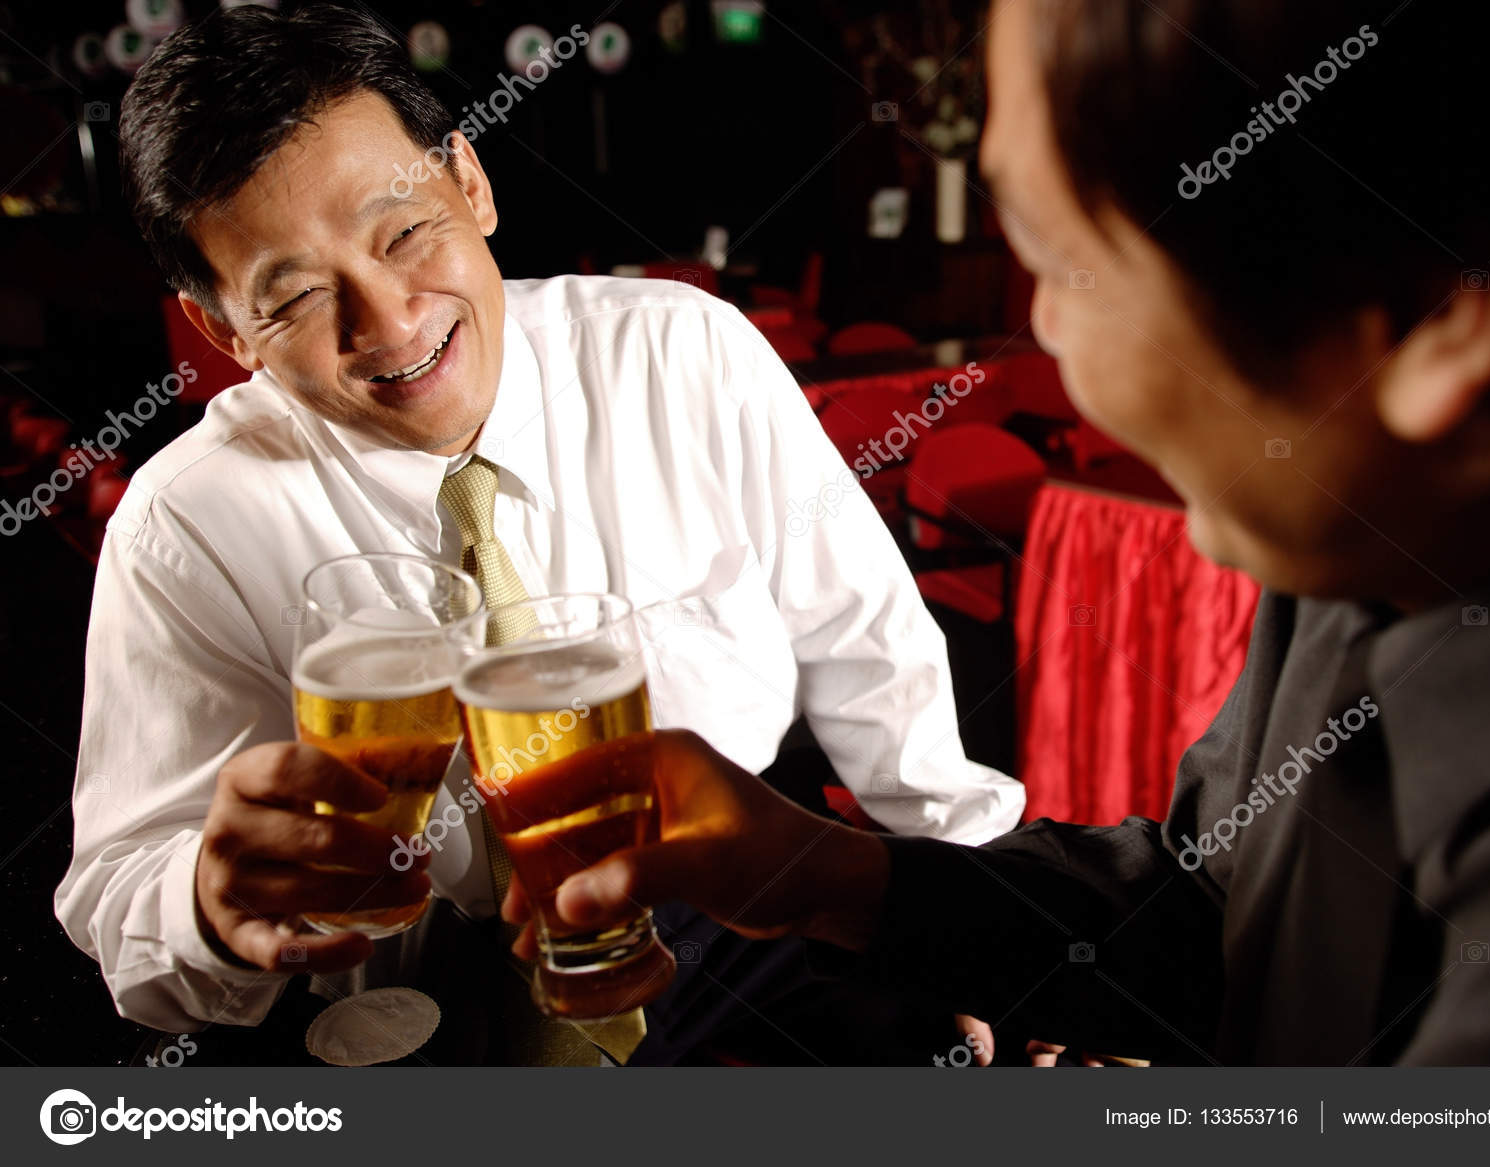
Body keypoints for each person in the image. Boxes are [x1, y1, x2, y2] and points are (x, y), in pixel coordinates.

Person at [517, 0, 1490, 1065]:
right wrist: (824, 872)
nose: (1040, 327)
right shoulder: (1365, 540)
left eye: (1063, 259)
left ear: (1431, 318)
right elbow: (1221, 921)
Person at [53, 4, 1021, 1050]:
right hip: (426, 965)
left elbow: (867, 646)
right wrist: (206, 900)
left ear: (469, 183)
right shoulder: (184, 519)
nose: (388, 322)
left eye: (407, 233)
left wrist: (983, 922)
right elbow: (120, 901)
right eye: (293, 296)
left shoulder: (682, 353)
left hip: (735, 902)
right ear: (222, 328)